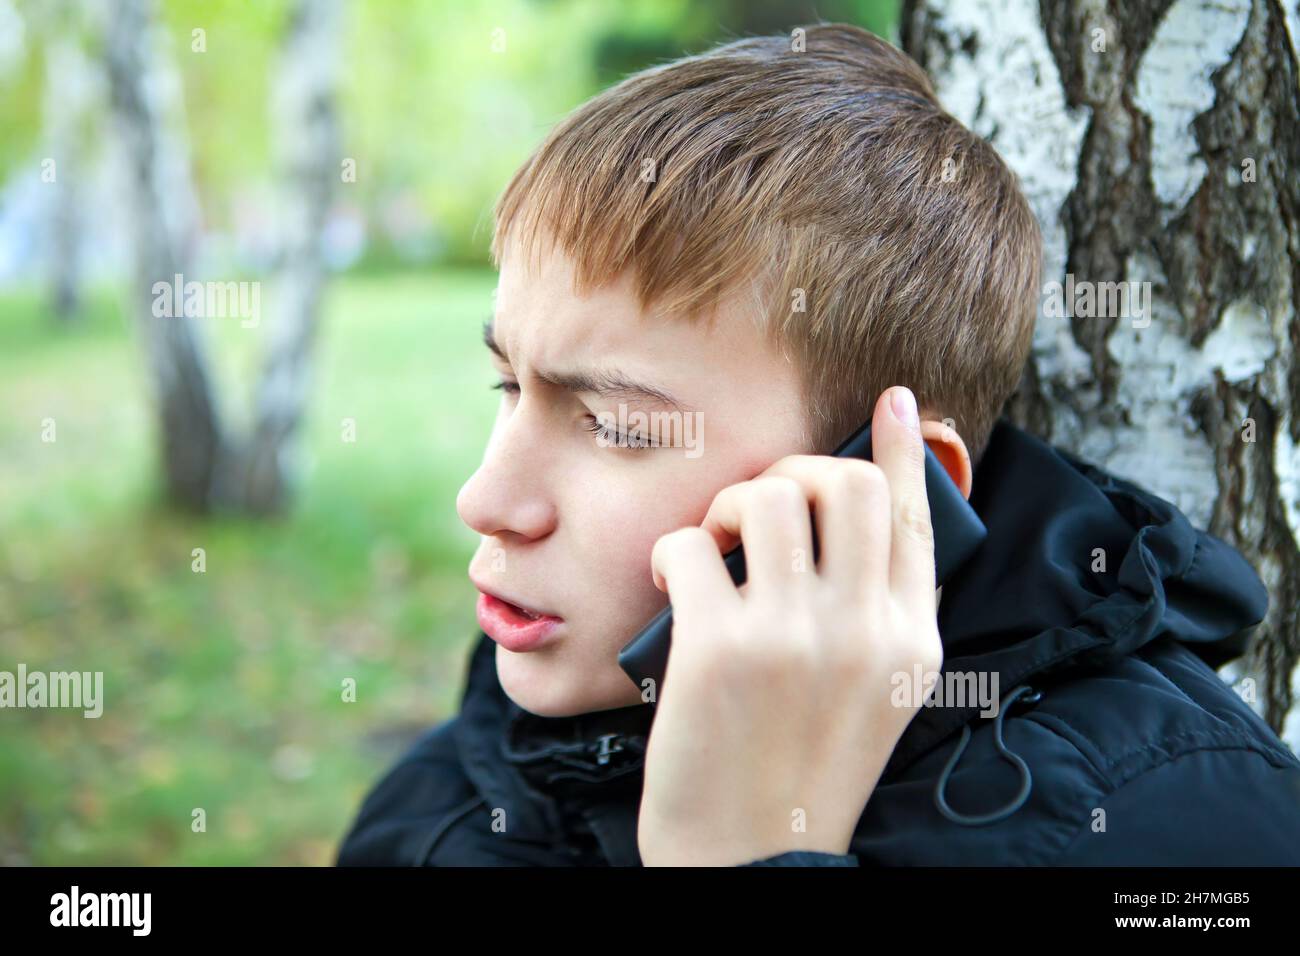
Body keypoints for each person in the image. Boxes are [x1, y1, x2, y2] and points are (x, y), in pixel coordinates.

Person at [337, 23, 1300, 866]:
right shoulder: (480, 769)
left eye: (619, 424)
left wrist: (747, 855)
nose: (486, 499)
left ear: (890, 488)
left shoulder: (1168, 825)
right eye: (511, 384)